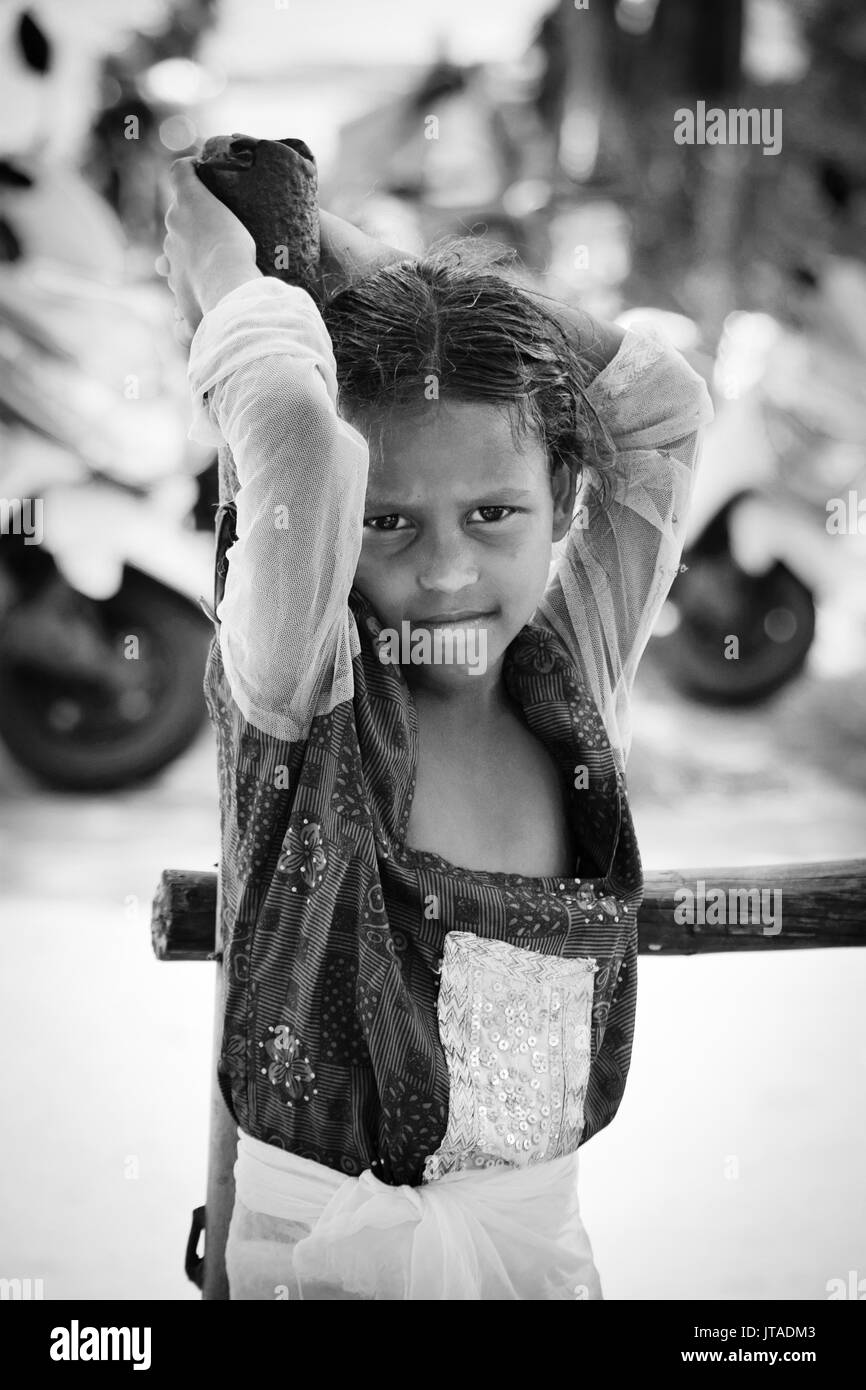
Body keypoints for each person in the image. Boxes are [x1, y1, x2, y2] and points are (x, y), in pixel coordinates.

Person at [163, 155, 714, 1300]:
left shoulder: (572, 669)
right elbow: (300, 444)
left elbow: (660, 406)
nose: (448, 569)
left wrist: (393, 279)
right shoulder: (304, 672)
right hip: (315, 1268)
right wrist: (223, 267)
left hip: (539, 1266)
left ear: (563, 506)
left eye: (493, 513)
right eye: (390, 524)